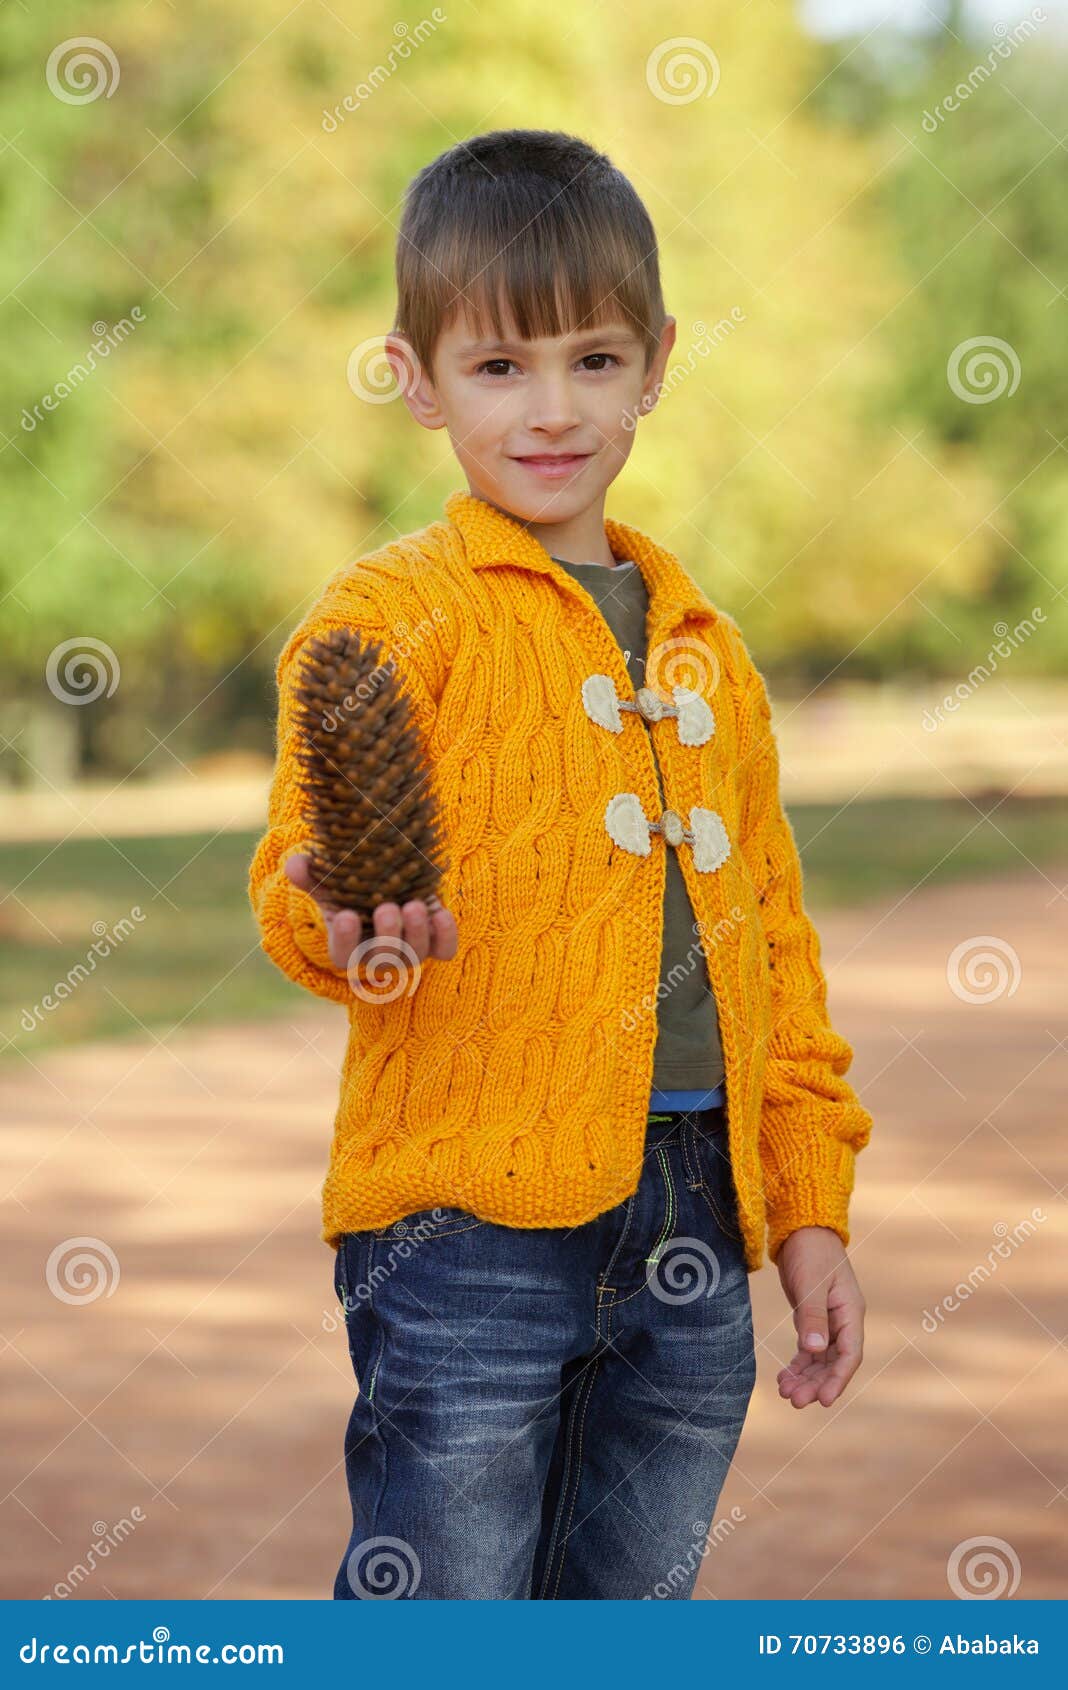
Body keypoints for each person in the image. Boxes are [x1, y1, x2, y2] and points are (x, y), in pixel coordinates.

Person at [247, 128, 874, 1601]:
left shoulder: (705, 651)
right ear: (416, 377)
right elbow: (299, 859)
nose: (551, 409)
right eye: (499, 367)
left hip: (695, 1226)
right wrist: (343, 917)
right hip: (462, 1229)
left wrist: (810, 1208)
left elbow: (778, 947)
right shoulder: (397, 613)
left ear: (656, 363)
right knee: (446, 1604)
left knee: (631, 1606)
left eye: (594, 362)